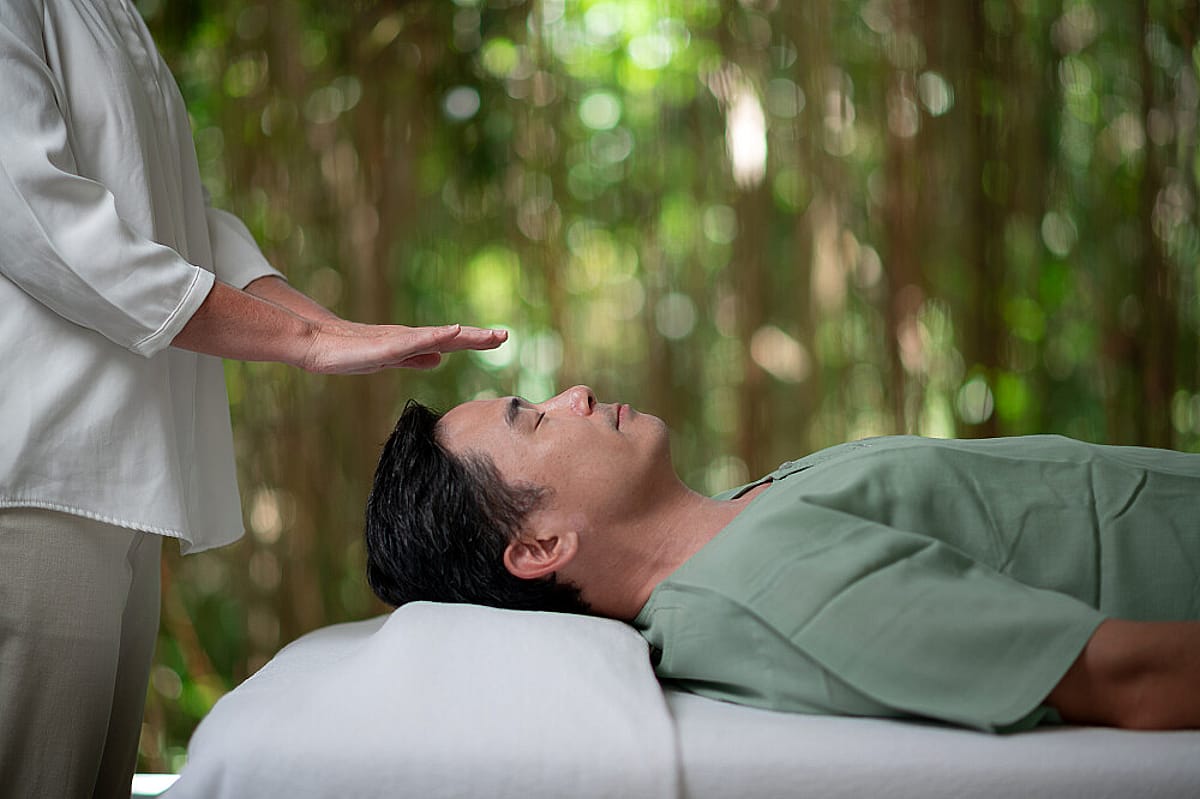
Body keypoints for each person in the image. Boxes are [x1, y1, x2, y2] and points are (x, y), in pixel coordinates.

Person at [0, 2, 505, 798]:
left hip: (116, 477)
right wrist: (305, 344)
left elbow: (175, 220)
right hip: (38, 470)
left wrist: (332, 329)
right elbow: (36, 215)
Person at [365, 385, 1200, 734]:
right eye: (535, 419)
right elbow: (1127, 676)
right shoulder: (769, 591)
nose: (573, 395)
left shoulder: (739, 537)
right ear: (541, 546)